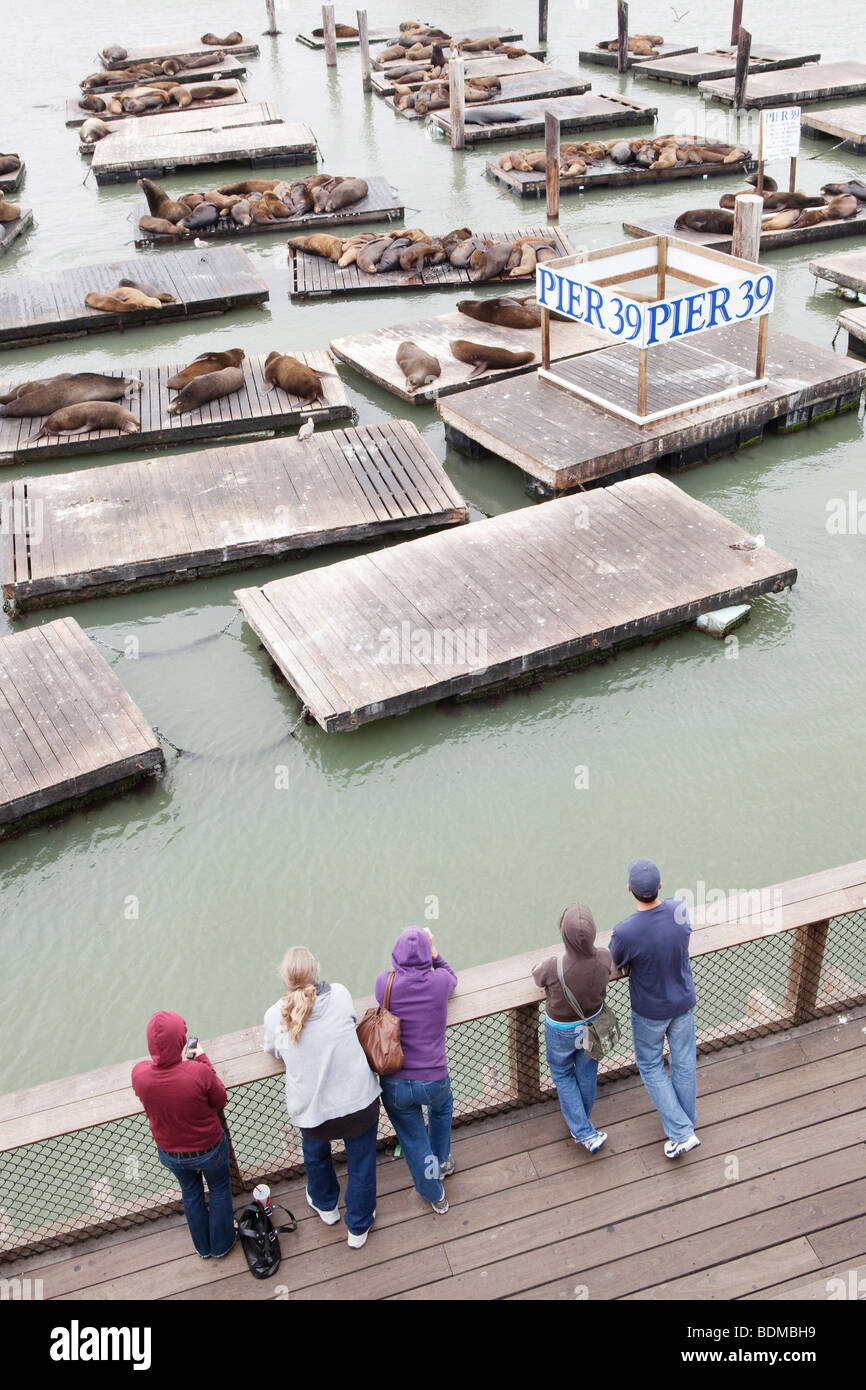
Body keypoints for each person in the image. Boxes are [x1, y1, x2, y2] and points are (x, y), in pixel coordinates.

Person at [263, 946, 380, 1249]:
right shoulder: (339, 994)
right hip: (359, 1104)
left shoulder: (275, 1015)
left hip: (314, 1114)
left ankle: (325, 1205)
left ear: (285, 978)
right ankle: (359, 1224)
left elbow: (273, 1050)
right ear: (316, 971)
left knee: (315, 1153)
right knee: (362, 1161)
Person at [609, 858, 700, 1159]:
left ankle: (682, 1132)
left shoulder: (625, 932)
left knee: (650, 1065)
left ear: (629, 890)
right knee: (684, 1060)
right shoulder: (680, 910)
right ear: (660, 886)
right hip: (683, 1000)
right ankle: (686, 1124)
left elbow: (616, 963)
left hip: (650, 1010)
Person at [131, 1011, 236, 1260]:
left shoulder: (139, 1075)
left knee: (190, 1191)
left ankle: (203, 1248)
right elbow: (220, 1098)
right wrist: (201, 1059)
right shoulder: (196, 1073)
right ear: (181, 1041)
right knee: (219, 1189)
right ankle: (221, 1246)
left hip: (170, 1151)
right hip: (209, 1148)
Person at [375, 927, 457, 1214]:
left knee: (413, 1140)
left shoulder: (384, 983)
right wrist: (434, 952)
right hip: (434, 1079)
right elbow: (452, 976)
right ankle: (442, 1160)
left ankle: (435, 1194)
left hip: (396, 1083)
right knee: (441, 1108)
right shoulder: (440, 982)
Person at [532, 903, 612, 1154]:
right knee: (587, 1070)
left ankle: (583, 1131)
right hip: (593, 1024)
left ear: (564, 936)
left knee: (562, 1073)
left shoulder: (553, 966)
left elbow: (537, 977)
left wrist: (537, 967)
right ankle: (581, 1121)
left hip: (561, 1030)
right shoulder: (604, 958)